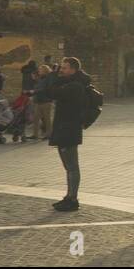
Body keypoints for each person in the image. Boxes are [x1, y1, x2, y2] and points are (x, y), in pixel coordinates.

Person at [46, 57, 92, 212]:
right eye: (61, 68)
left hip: (68, 130)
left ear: (73, 69)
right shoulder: (70, 83)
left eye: (64, 68)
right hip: (65, 129)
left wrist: (53, 76)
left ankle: (73, 199)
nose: (61, 70)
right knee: (69, 166)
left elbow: (52, 92)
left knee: (72, 166)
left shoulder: (75, 86)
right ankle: (69, 196)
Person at [32, 64, 55, 141]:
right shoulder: (40, 79)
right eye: (39, 69)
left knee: (47, 119)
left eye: (41, 70)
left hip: (46, 101)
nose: (39, 71)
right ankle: (35, 134)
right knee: (35, 118)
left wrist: (35, 91)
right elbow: (38, 87)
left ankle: (49, 134)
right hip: (38, 101)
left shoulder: (49, 78)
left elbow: (45, 88)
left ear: (45, 70)